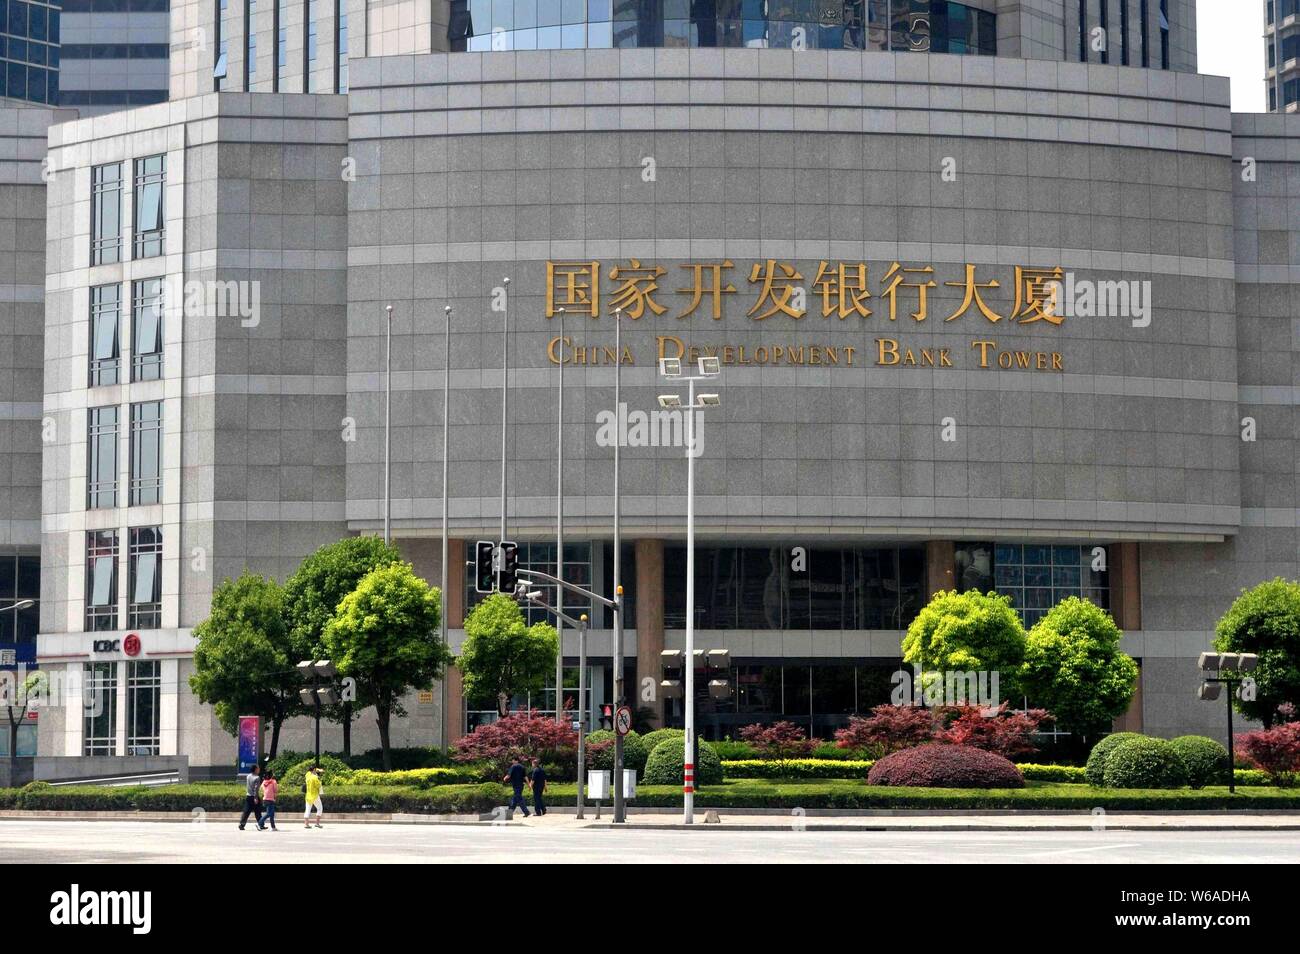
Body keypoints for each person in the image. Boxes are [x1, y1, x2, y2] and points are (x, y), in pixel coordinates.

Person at [239, 764, 266, 831]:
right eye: (258, 768)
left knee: (246, 811)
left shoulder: (248, 776)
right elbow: (256, 789)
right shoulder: (257, 778)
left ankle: (242, 824)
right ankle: (261, 825)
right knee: (258, 811)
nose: (259, 769)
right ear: (255, 769)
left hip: (248, 796)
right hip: (254, 796)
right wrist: (256, 798)